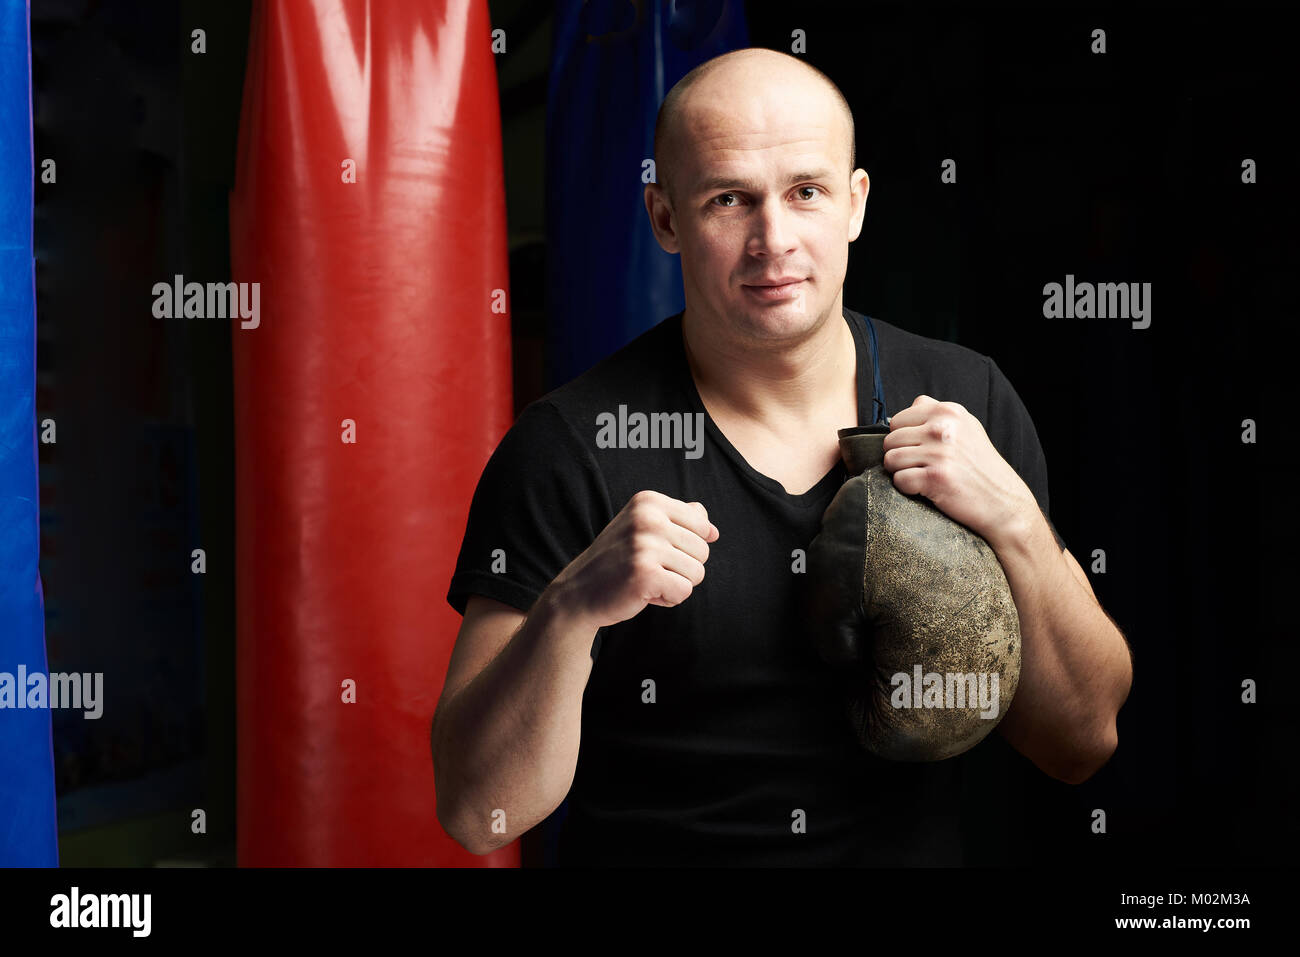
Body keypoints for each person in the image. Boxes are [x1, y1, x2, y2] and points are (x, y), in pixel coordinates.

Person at [433, 47, 1132, 866]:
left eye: (806, 192)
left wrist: (1010, 516)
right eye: (729, 199)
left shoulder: (963, 398)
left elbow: (1083, 740)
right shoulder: (572, 447)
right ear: (664, 218)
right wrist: (570, 608)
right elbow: (479, 812)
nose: (773, 240)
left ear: (855, 204)